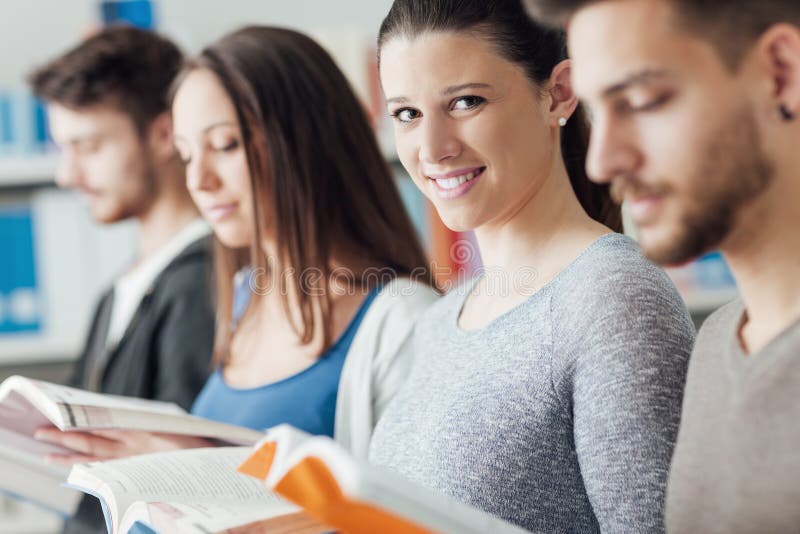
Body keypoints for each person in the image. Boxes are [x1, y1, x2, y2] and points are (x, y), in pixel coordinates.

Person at [36, 25, 438, 466]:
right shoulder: (244, 299)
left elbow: (404, 503)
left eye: (224, 145)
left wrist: (200, 466)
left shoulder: (403, 320)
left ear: (305, 141)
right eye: (187, 155)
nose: (198, 180)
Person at [366, 1, 695, 532]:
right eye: (407, 114)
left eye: (466, 102)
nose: (433, 148)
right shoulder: (441, 320)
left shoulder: (614, 301)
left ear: (558, 92)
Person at [523, 1, 800, 532]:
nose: (602, 162)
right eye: (597, 113)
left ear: (779, 74)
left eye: (642, 101)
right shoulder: (717, 344)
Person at [28, 26, 216, 534]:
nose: (67, 176)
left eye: (88, 146)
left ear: (163, 135)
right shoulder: (119, 291)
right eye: (63, 149)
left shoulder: (202, 285)